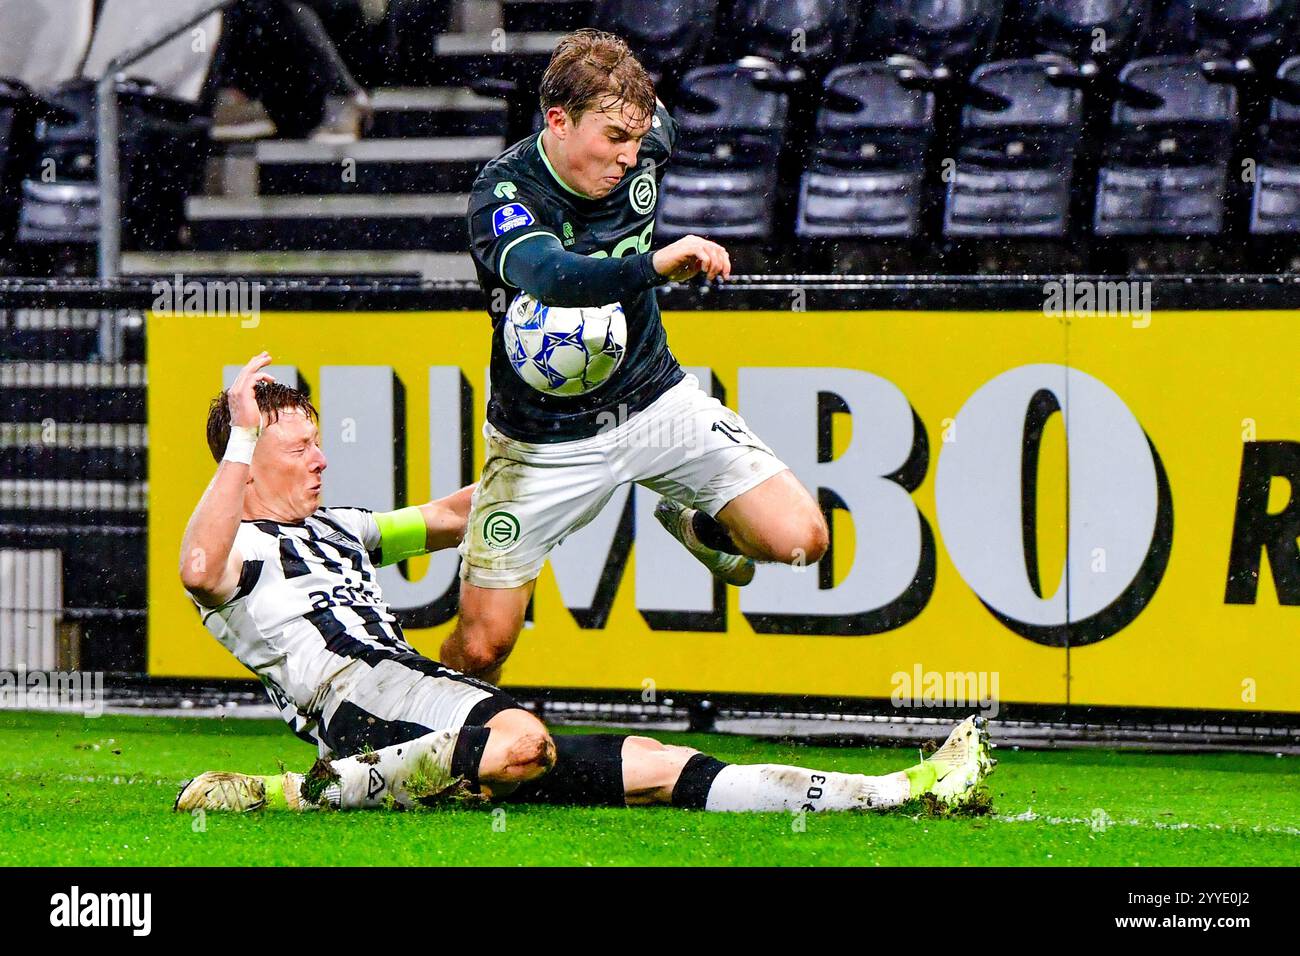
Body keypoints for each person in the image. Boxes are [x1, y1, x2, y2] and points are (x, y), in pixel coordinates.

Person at [174, 353, 994, 814]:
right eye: (298, 447)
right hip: (363, 706)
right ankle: (295, 795)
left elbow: (456, 514)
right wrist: (242, 441)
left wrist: (595, 465)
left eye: (317, 440)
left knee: (658, 766)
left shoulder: (338, 526)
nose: (319, 456)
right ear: (247, 463)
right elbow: (198, 572)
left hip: (425, 697)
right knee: (524, 742)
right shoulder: (235, 542)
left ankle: (901, 790)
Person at [446, 29, 829, 684]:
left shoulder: (649, 135)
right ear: (557, 120)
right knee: (482, 650)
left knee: (801, 541)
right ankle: (421, 739)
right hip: (543, 441)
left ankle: (689, 519)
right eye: (613, 139)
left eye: (637, 137)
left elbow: (643, 115)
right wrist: (655, 264)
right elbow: (553, 278)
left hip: (654, 400)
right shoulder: (502, 192)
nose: (629, 155)